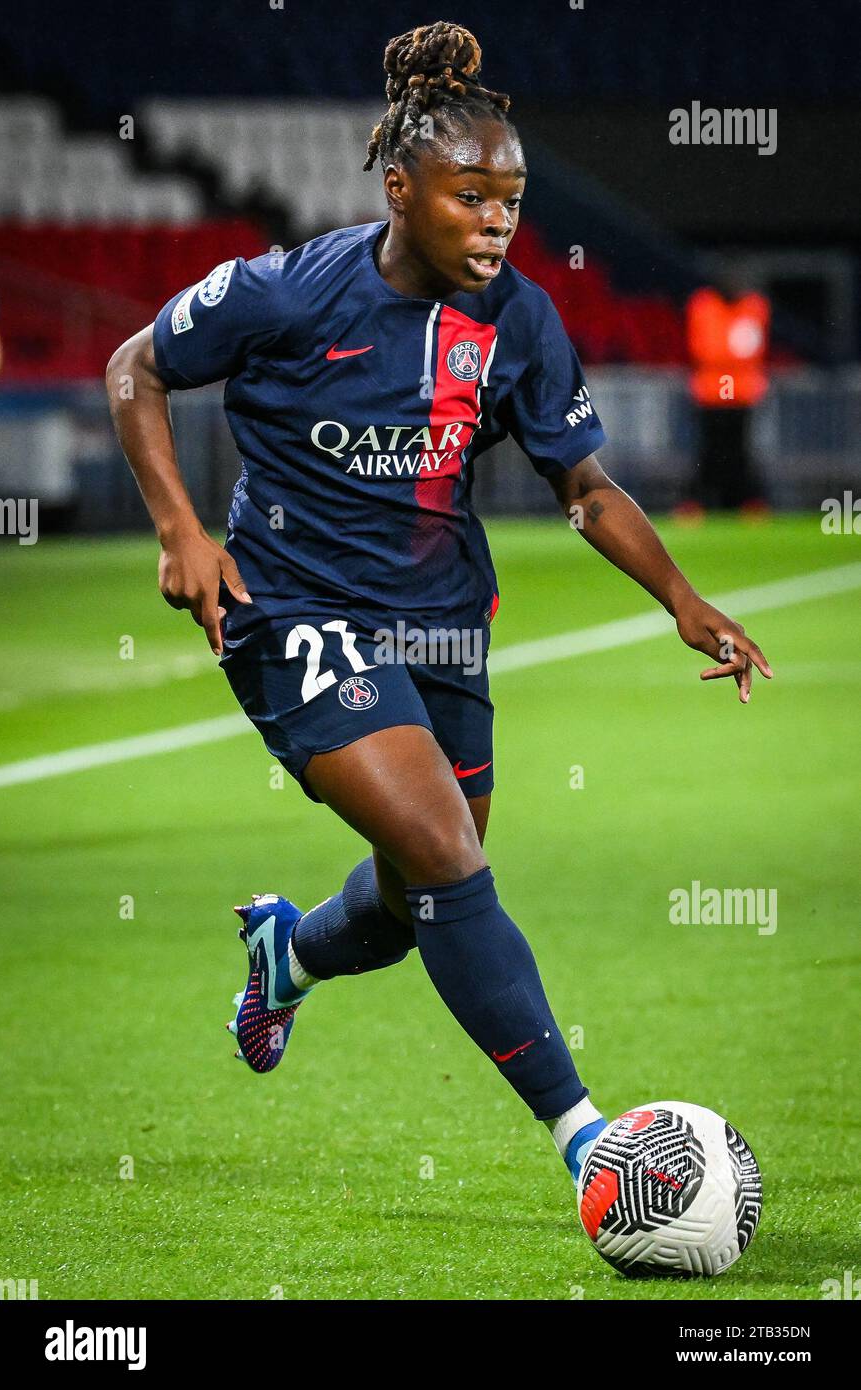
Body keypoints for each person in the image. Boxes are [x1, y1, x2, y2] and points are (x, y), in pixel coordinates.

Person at [107, 20, 772, 1194]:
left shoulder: (518, 319)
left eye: (511, 200)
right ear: (401, 189)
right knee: (444, 857)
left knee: (417, 898)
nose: (497, 223)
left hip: (440, 624)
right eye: (471, 197)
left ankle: (287, 952)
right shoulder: (285, 290)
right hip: (290, 607)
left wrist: (681, 596)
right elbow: (134, 370)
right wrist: (180, 531)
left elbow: (584, 483)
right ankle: (591, 1147)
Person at [686, 272, 771, 511]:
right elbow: (706, 351)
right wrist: (731, 355)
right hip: (711, 394)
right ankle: (700, 503)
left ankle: (745, 503)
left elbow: (752, 350)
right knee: (710, 451)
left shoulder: (755, 306)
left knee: (741, 452)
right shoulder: (703, 304)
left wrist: (728, 355)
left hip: (743, 394)